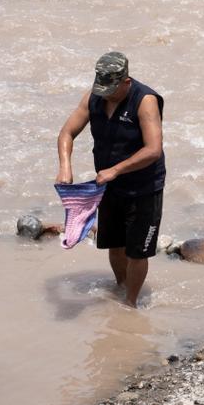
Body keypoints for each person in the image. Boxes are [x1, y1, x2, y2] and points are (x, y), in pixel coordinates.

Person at [56, 52, 165, 307]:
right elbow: (67, 132)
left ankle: (131, 303)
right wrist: (65, 166)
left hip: (143, 187)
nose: (105, 94)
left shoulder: (144, 100)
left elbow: (153, 149)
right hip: (108, 187)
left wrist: (116, 170)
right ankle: (120, 287)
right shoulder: (94, 96)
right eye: (101, 88)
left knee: (137, 252)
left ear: (126, 82)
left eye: (111, 89)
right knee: (114, 245)